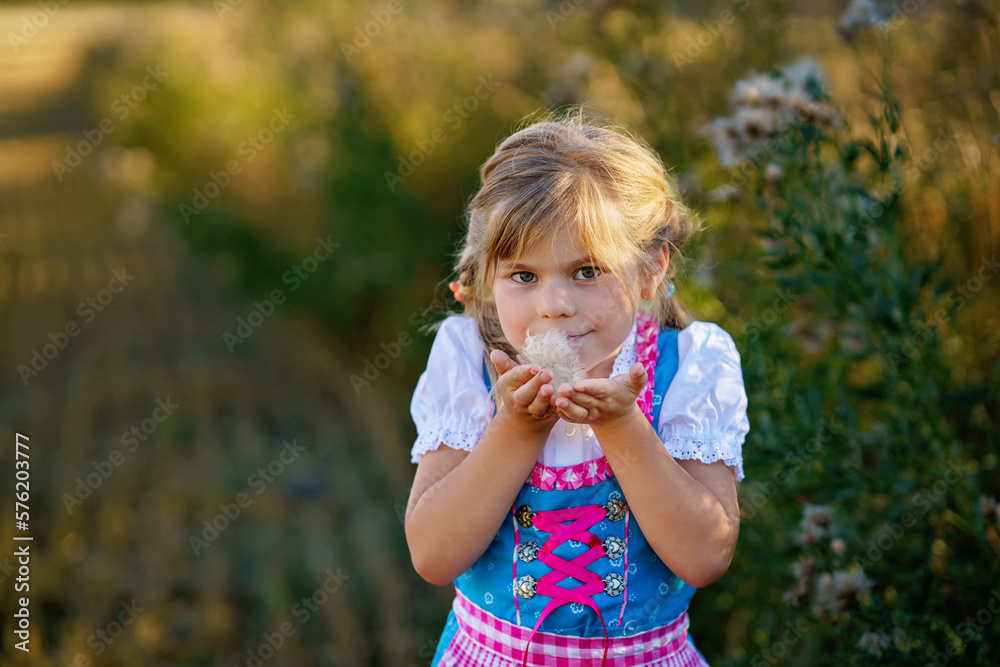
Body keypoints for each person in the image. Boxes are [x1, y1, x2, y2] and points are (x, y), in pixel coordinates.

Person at [405, 110, 750, 666]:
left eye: (587, 271)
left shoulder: (691, 363)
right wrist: (516, 430)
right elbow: (433, 555)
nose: (554, 304)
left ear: (649, 271)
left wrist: (622, 426)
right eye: (524, 276)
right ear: (489, 279)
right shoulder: (467, 356)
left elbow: (705, 556)